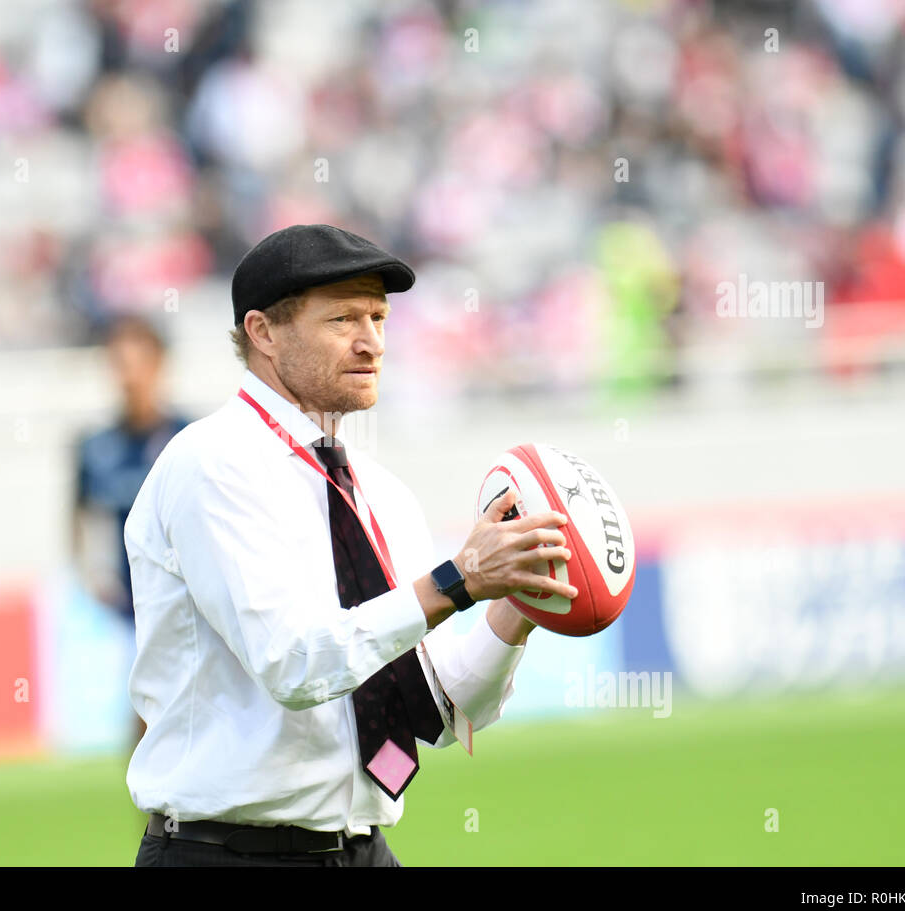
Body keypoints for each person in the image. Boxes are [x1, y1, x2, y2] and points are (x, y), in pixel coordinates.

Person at [125, 224, 576, 867]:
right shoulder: (213, 463)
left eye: (378, 316)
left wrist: (517, 603)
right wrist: (458, 581)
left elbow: (439, 708)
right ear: (263, 332)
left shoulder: (379, 492)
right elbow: (294, 663)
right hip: (226, 852)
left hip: (362, 850)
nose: (371, 342)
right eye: (342, 318)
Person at [71, 314, 189, 745]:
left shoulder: (187, 437)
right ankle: (157, 804)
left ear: (159, 364)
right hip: (132, 602)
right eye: (116, 362)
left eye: (135, 361)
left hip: (190, 597)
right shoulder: (95, 446)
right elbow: (78, 517)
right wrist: (89, 577)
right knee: (147, 704)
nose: (126, 374)